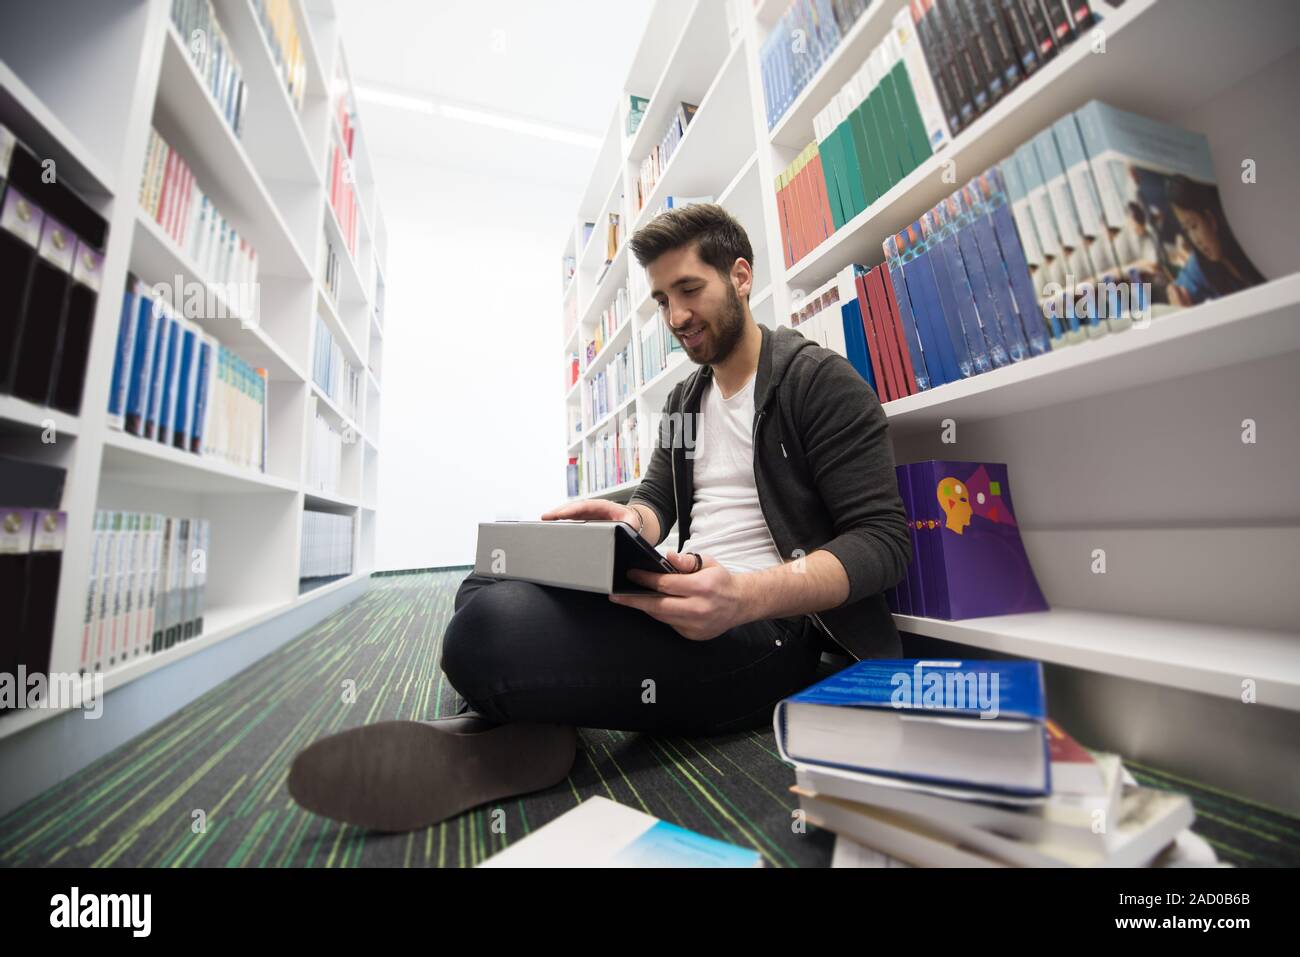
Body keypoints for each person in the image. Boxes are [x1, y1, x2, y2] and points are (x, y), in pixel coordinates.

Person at [287, 203, 911, 832]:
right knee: (483, 582)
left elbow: (884, 543)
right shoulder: (686, 399)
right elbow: (657, 499)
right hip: (676, 587)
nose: (676, 317)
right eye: (662, 299)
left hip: (771, 635)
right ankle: (532, 735)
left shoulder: (817, 380)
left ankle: (518, 731)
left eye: (689, 290)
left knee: (489, 631)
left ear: (741, 276)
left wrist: (746, 597)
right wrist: (626, 529)